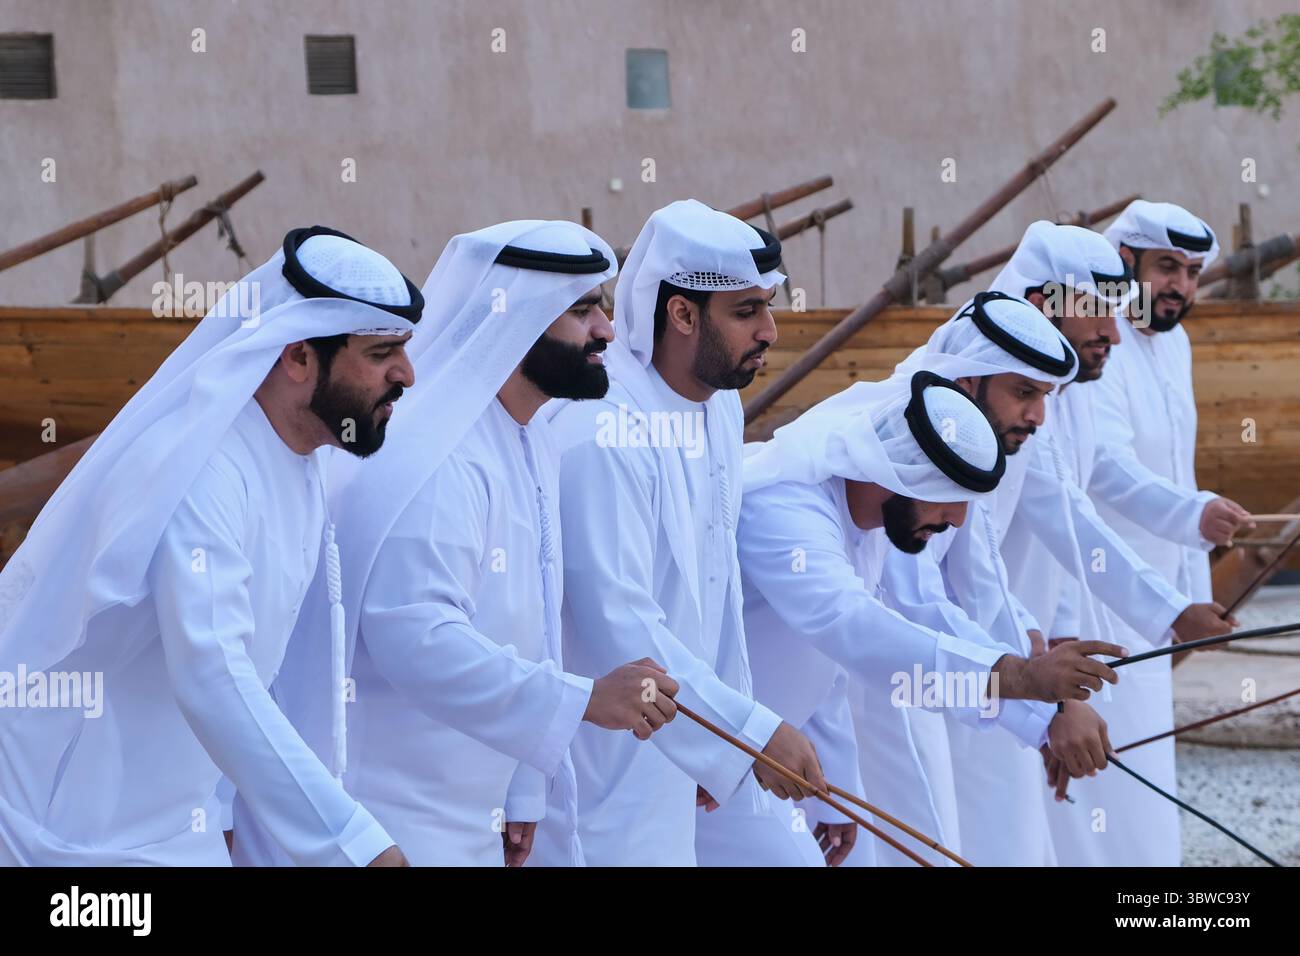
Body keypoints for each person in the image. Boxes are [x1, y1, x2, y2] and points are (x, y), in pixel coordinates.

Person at [234, 221, 679, 867]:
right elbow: (417, 635)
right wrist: (581, 699)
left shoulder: (527, 438)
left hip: (468, 819)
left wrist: (524, 789)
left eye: (603, 307)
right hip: (389, 822)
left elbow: (526, 626)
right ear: (518, 318)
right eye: (582, 310)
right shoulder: (440, 455)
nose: (606, 329)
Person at [0, 227, 423, 865]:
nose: (407, 374)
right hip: (66, 837)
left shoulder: (297, 458)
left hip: (173, 830)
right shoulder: (204, 470)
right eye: (382, 350)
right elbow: (214, 674)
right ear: (299, 356)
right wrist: (357, 844)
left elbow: (255, 663)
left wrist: (223, 807)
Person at [539, 199, 827, 866]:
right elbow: (620, 624)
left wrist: (725, 745)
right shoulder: (601, 427)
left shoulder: (718, 407)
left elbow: (718, 598)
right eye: (748, 311)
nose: (772, 330)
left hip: (692, 737)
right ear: (682, 313)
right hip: (609, 763)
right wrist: (745, 735)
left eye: (768, 306)